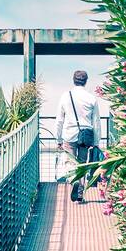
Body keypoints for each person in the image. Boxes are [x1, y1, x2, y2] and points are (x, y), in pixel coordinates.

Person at [55, 70, 101, 202]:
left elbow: (59, 120)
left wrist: (58, 139)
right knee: (81, 164)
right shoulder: (91, 98)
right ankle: (79, 195)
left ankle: (72, 180)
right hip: (85, 136)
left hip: (69, 135)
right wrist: (97, 141)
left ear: (73, 80)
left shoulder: (65, 96)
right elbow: (96, 122)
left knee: (70, 162)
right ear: (86, 81)